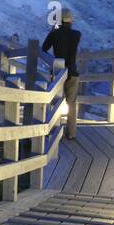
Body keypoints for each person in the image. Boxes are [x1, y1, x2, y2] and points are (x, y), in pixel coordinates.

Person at [42, 9, 81, 137]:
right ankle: (71, 134)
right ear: (71, 21)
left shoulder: (54, 34)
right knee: (72, 104)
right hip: (72, 72)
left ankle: (53, 130)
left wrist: (54, 29)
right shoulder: (77, 35)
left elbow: (44, 48)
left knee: (55, 102)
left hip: (58, 72)